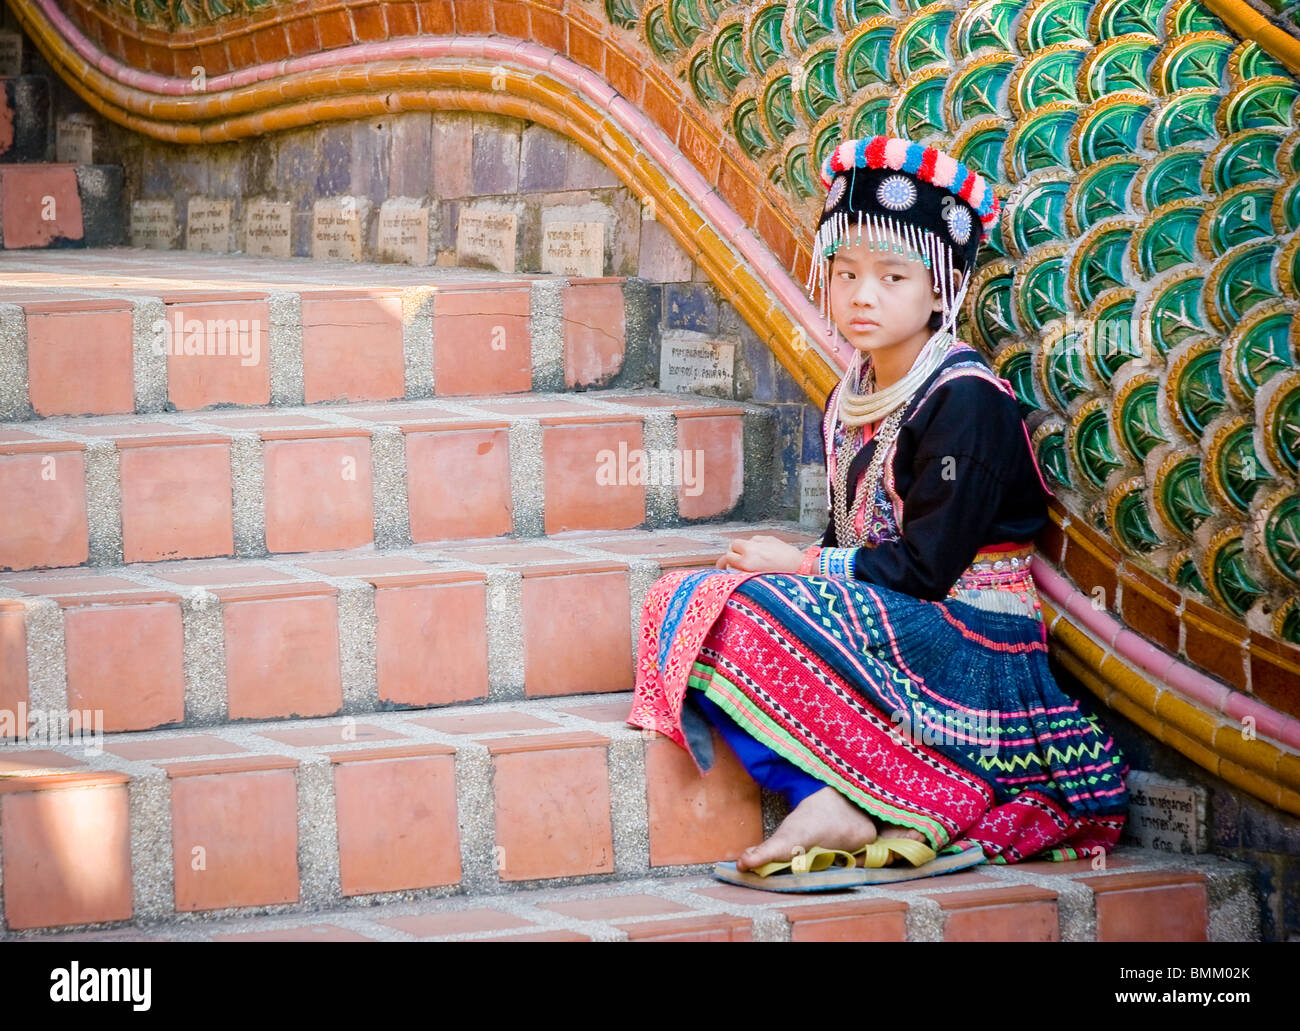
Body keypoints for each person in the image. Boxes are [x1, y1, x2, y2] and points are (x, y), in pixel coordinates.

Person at [627, 134, 1129, 888]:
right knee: (690, 605)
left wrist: (796, 566)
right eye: (847, 273)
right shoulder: (851, 395)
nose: (863, 295)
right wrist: (796, 575)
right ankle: (823, 798)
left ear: (940, 291)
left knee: (741, 605)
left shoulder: (965, 404)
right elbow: (848, 542)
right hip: (898, 621)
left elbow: (926, 569)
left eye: (893, 276)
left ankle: (889, 789)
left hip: (971, 645)